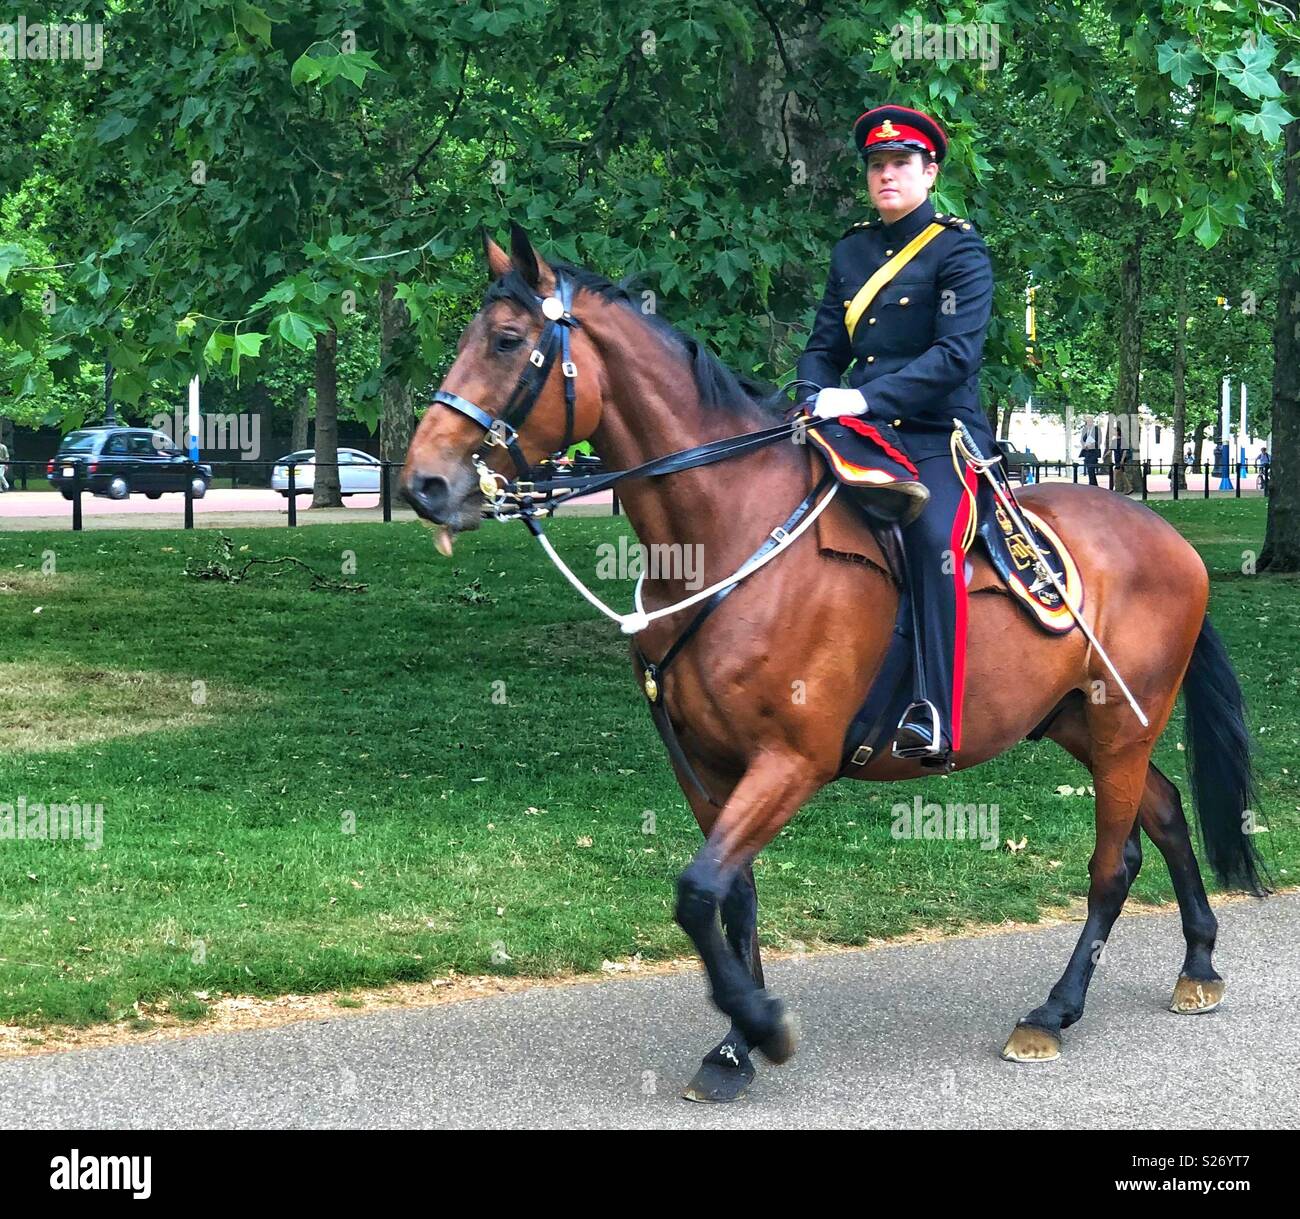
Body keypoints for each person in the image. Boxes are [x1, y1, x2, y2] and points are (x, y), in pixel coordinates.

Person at [797, 104, 995, 766]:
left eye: (901, 164)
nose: (887, 175)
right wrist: (809, 394)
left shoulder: (959, 249)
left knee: (934, 539)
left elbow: (955, 357)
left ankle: (932, 711)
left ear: (929, 171)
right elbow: (823, 345)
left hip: (940, 434)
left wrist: (861, 393)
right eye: (877, 165)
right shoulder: (851, 250)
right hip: (862, 430)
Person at [1080, 417, 1101, 486]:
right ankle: (1093, 484)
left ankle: (1093, 484)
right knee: (1089, 469)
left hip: (1093, 452)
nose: (1088, 423)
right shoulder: (1085, 430)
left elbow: (1099, 441)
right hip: (1086, 452)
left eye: (1090, 422)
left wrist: (1091, 445)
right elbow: (1082, 440)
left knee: (1091, 468)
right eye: (1087, 422)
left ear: (1092, 422)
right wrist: (1084, 445)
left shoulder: (1097, 430)